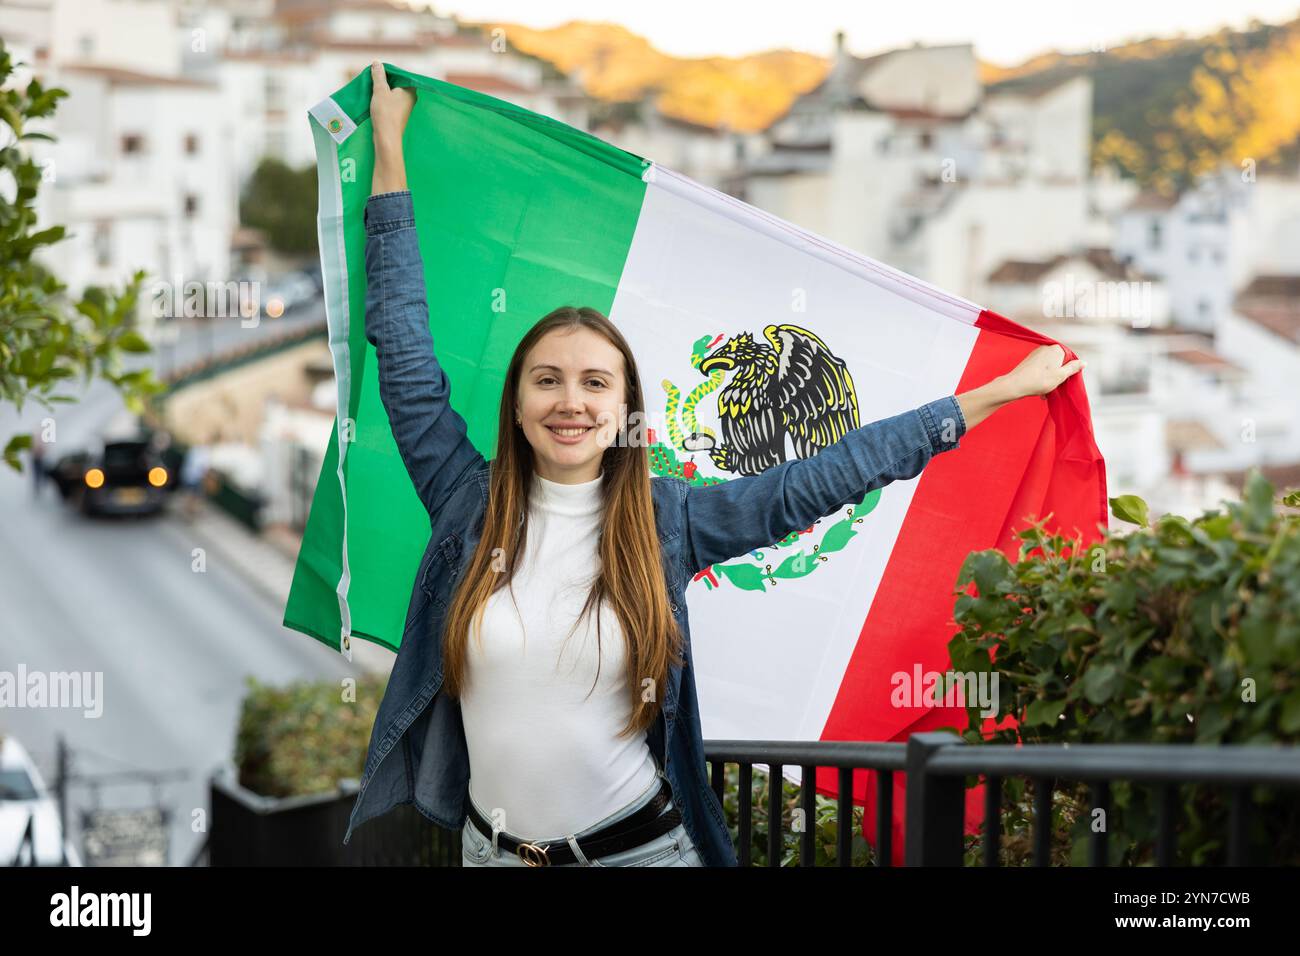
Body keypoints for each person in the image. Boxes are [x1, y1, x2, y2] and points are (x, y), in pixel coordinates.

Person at [357, 61, 1084, 868]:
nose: (571, 401)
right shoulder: (467, 504)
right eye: (548, 380)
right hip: (490, 856)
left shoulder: (665, 520)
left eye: (595, 382)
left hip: (643, 855)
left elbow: (823, 477)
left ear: (625, 406)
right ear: (519, 405)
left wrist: (991, 396)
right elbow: (405, 355)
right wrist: (390, 153)